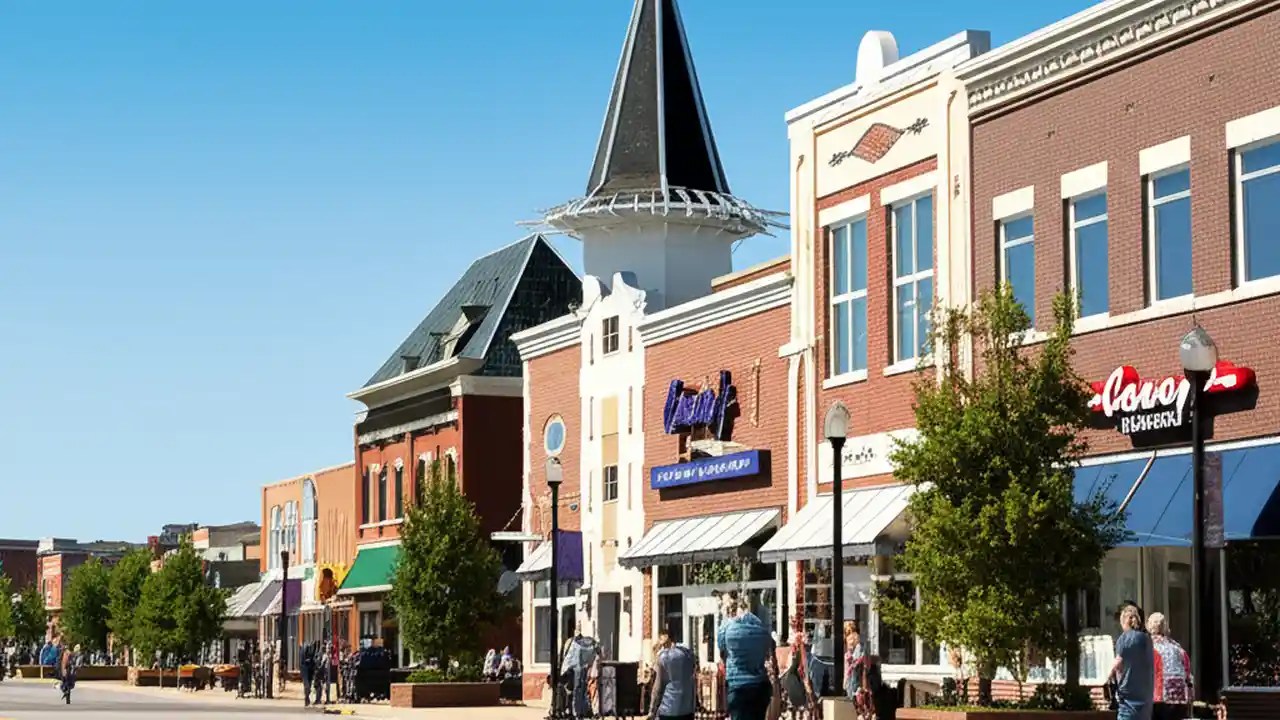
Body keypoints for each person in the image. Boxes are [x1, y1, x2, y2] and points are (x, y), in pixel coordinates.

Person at [718, 596, 774, 720]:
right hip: (760, 686)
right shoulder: (762, 629)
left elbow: (721, 649)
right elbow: (768, 651)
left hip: (738, 687)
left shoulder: (728, 629)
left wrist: (724, 617)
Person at [1109, 604, 1155, 720]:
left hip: (1128, 700)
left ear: (1124, 621)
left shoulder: (1124, 639)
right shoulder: (1146, 639)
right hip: (1145, 698)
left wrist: (1107, 677)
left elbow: (1118, 664)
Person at [1147, 613, 1192, 720]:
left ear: (1149, 627)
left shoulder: (1148, 647)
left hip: (1159, 699)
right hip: (1179, 699)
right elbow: (1188, 673)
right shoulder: (1177, 648)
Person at [649, 633, 696, 720]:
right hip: (686, 708)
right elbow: (693, 682)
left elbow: (657, 688)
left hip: (668, 708)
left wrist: (652, 711)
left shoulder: (664, 657)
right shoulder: (689, 655)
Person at [300, 640, 316, 706]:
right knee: (307, 686)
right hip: (306, 669)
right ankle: (307, 699)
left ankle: (307, 699)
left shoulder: (309, 654)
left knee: (307, 685)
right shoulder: (304, 653)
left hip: (307, 669)